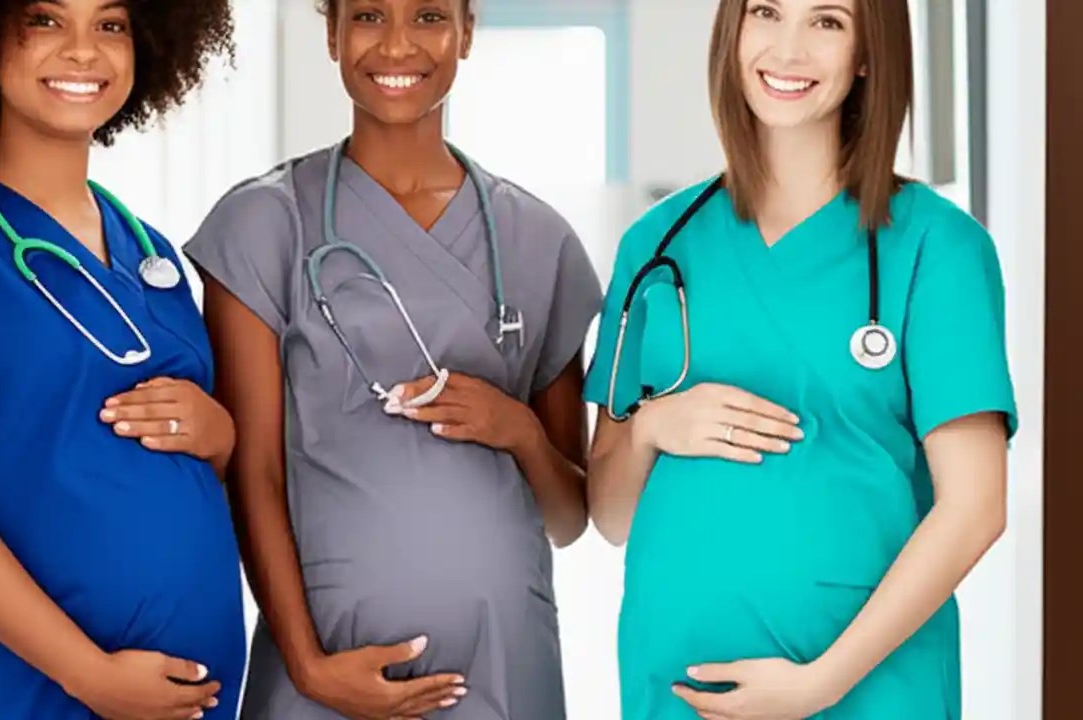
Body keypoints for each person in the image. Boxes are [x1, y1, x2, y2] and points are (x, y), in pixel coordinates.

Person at [583, 0, 1017, 718]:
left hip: (868, 686)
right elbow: (611, 513)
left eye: (827, 21)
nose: (787, 49)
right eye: (766, 12)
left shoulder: (937, 248)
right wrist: (655, 425)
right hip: (681, 678)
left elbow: (975, 507)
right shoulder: (656, 246)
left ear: (868, 53)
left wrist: (821, 682)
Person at [182, 0, 602, 717]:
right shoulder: (265, 225)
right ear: (333, 35)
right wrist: (310, 668)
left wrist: (518, 430)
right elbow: (252, 474)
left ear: (467, 32)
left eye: (431, 16)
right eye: (370, 15)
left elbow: (568, 519)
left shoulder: (539, 240)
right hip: (326, 671)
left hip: (502, 667)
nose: (399, 44)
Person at [0, 1, 246, 718]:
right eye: (46, 20)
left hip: (180, 695)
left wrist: (218, 437)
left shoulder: (148, 249)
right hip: (7, 688)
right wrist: (88, 674)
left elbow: (112, 450)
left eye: (112, 23)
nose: (84, 50)